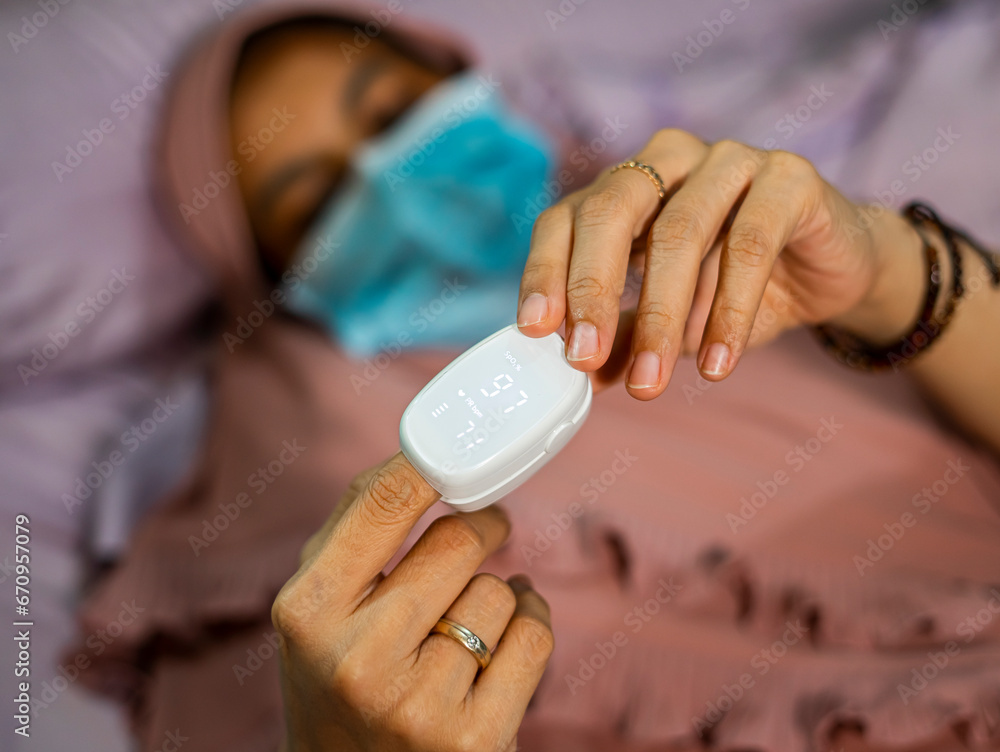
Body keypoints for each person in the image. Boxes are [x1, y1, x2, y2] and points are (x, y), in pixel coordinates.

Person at [72, 3, 1000, 751]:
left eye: (393, 114)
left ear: (458, 80)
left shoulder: (720, 221)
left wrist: (892, 275)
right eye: (316, 200)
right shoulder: (283, 446)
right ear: (277, 276)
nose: (392, 182)